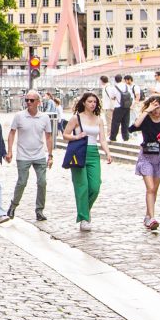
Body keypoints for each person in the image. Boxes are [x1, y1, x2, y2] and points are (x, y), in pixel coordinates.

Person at [63, 91, 114, 231]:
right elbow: (65, 135)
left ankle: (85, 210)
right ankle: (84, 218)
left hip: (93, 153)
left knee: (95, 186)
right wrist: (77, 136)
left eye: (95, 102)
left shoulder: (99, 119)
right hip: (79, 152)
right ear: (84, 102)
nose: (92, 104)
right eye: (90, 101)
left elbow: (102, 139)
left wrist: (107, 152)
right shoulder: (76, 118)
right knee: (82, 186)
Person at [6, 91, 54, 222]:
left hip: (39, 155)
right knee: (22, 182)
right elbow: (12, 133)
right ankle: (13, 206)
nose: (28, 103)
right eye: (27, 100)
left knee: (42, 182)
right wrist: (9, 151)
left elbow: (48, 137)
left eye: (32, 100)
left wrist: (50, 155)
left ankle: (39, 210)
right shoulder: (19, 116)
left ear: (38, 102)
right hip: (23, 155)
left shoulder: (44, 118)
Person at [131, 95, 160, 232]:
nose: (156, 109)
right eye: (153, 106)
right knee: (150, 188)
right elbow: (133, 127)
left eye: (158, 106)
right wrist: (146, 111)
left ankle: (148, 216)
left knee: (154, 189)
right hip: (146, 157)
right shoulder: (146, 121)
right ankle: (152, 218)